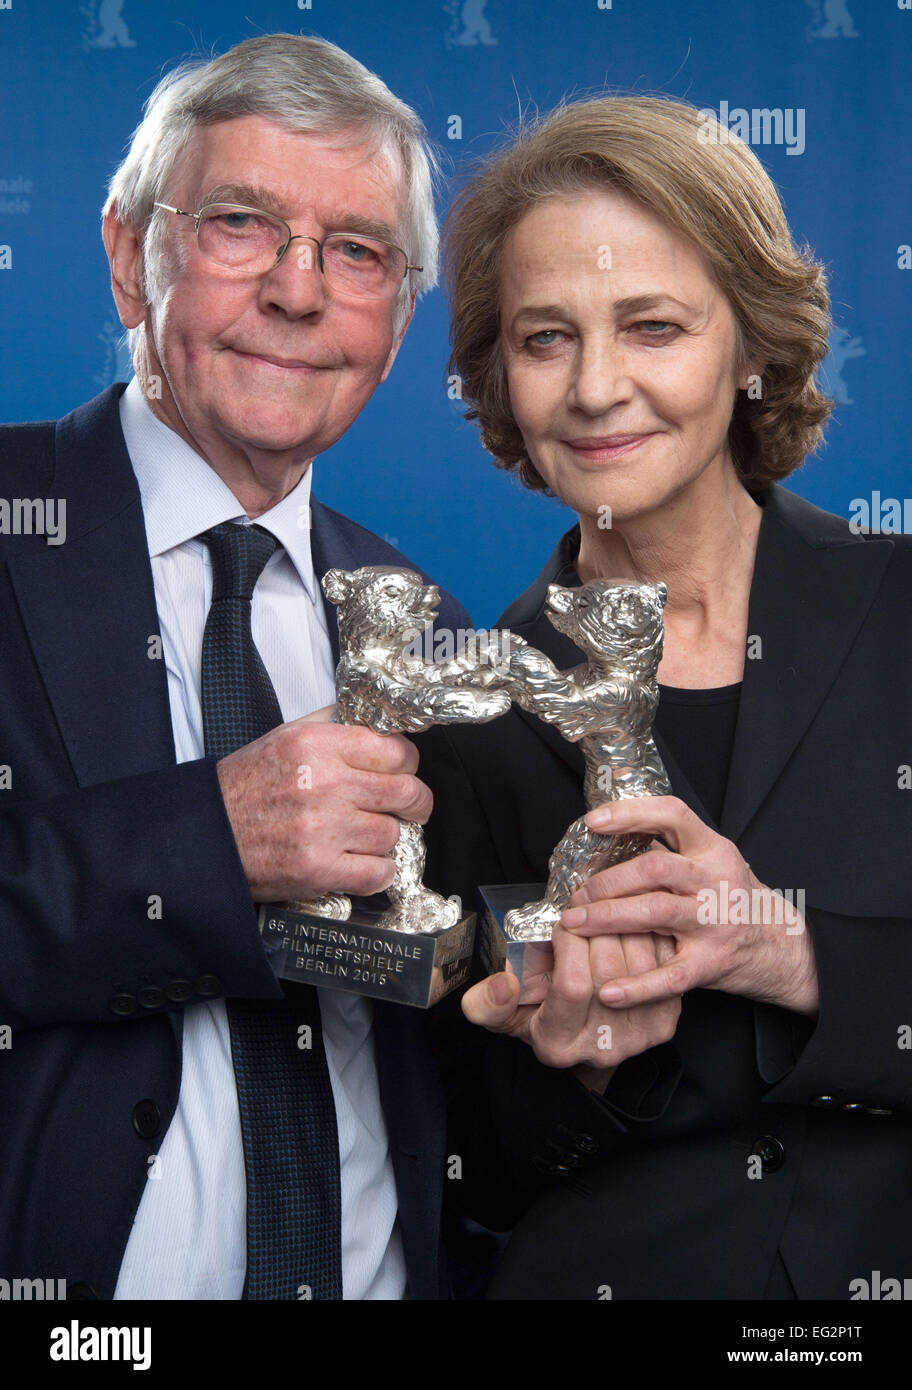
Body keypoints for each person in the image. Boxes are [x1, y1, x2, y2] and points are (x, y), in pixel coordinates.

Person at [0, 32, 511, 1302]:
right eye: (242, 223)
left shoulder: (424, 621)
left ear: (396, 326)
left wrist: (523, 971)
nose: (299, 290)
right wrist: (206, 849)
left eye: (357, 253)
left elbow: (433, 1035)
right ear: (131, 255)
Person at [431, 94, 912, 1299]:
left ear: (751, 344)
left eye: (651, 326)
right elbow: (474, 1174)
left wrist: (787, 952)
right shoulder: (466, 718)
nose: (597, 389)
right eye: (546, 338)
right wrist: (588, 1073)